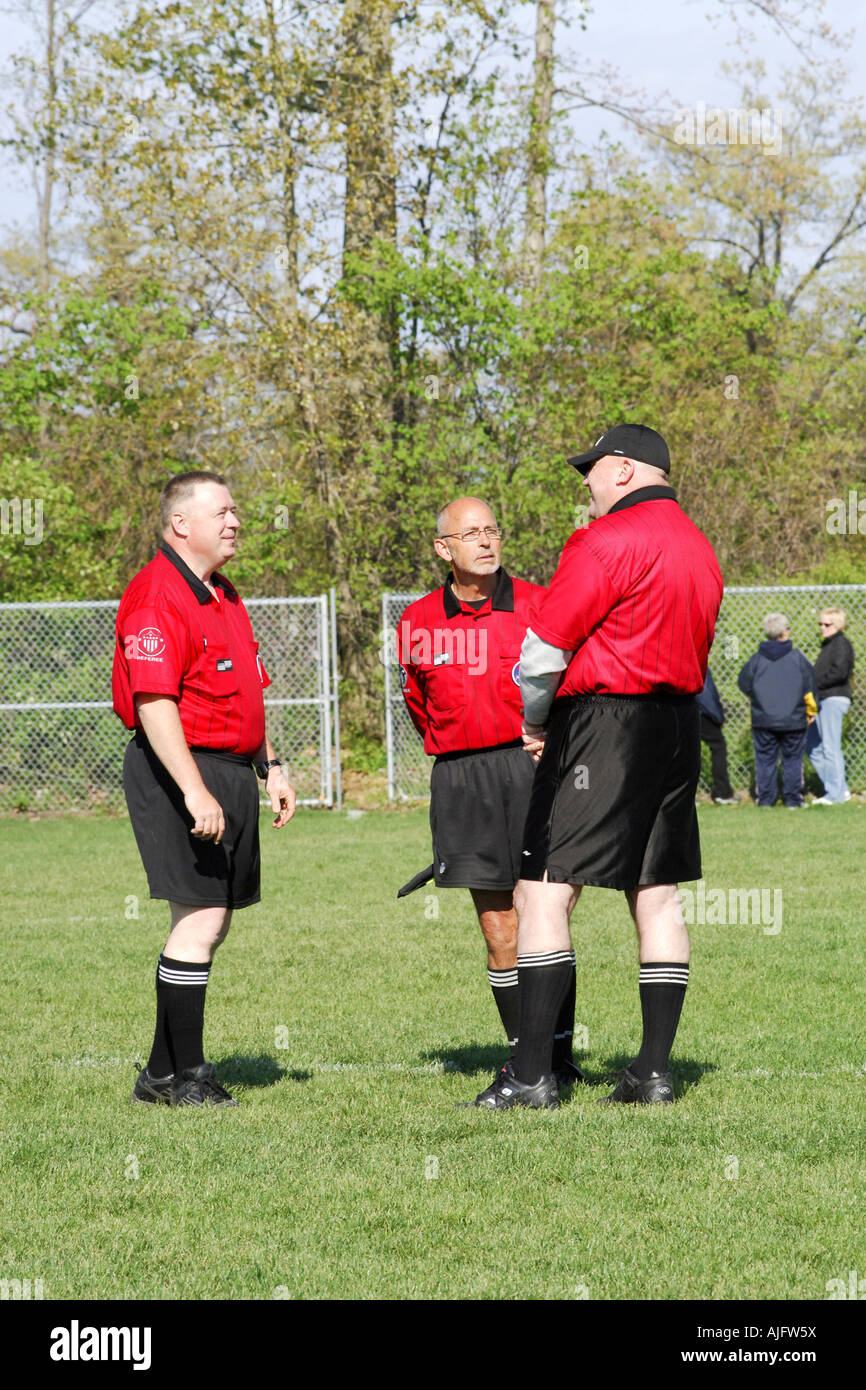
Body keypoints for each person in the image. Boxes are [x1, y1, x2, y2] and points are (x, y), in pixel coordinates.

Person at [467, 423, 724, 1110]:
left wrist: (535, 719)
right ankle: (652, 1073)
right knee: (658, 893)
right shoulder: (701, 549)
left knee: (543, 891)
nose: (585, 481)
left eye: (591, 468)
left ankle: (531, 1078)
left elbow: (546, 648)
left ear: (622, 469)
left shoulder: (604, 541)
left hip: (605, 722)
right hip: (676, 723)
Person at [112, 470, 296, 1107]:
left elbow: (249, 688)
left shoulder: (222, 593)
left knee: (211, 922)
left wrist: (271, 768)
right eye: (221, 511)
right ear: (180, 524)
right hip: (180, 770)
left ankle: (161, 1074)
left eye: (236, 508)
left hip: (229, 770)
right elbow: (155, 703)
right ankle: (186, 1078)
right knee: (200, 918)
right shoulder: (156, 594)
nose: (235, 521)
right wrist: (193, 790)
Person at [397, 497, 583, 1095]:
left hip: (534, 772)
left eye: (492, 530)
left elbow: (574, 683)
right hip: (462, 779)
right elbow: (418, 704)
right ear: (442, 548)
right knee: (499, 926)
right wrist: (459, 748)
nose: (485, 541)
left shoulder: (539, 604)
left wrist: (552, 740)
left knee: (543, 915)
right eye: (469, 533)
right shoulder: (417, 621)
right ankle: (523, 1059)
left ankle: (556, 1057)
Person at [737, 614, 817, 809]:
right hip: (793, 719)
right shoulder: (797, 658)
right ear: (784, 632)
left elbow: (743, 683)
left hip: (763, 719)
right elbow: (810, 687)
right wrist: (812, 711)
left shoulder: (756, 659)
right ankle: (792, 800)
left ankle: (765, 799)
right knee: (792, 760)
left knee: (765, 760)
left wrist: (758, 698)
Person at [807, 607, 854, 805]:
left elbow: (840, 673)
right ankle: (839, 789)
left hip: (833, 698)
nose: (822, 628)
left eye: (827, 624)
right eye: (820, 624)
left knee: (830, 747)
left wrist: (815, 684)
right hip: (822, 699)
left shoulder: (841, 644)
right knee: (813, 746)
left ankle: (834, 794)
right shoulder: (828, 645)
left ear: (838, 625)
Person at [696, 668, 737, 804]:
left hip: (681, 710)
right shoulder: (698, 661)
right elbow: (706, 695)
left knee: (684, 751)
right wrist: (718, 716)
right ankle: (723, 792)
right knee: (718, 746)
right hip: (701, 713)